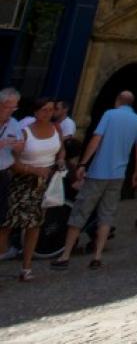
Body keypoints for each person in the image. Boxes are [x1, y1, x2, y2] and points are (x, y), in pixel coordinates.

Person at [52, 90, 137, 271]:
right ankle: (97, 256)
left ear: (118, 100)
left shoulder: (110, 114)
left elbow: (96, 139)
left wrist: (83, 163)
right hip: (118, 175)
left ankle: (65, 255)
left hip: (98, 172)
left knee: (81, 211)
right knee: (106, 215)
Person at [4, 95, 64, 281]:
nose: (48, 113)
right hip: (23, 181)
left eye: (51, 110)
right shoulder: (24, 132)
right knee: (8, 223)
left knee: (35, 224)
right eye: (44, 110)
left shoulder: (56, 128)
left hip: (44, 181)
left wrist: (60, 160)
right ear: (36, 112)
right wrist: (33, 170)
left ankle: (26, 267)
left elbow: (61, 148)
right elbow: (12, 161)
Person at [0, 87, 23, 262]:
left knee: (1, 214)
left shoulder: (14, 124)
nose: (11, 111)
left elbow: (19, 147)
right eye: (9, 107)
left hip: (3, 174)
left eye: (14, 107)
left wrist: (18, 146)